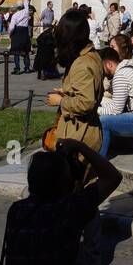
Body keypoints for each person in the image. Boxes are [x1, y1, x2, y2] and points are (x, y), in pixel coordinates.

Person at [47, 9, 104, 168]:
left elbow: (86, 102)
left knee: (72, 187)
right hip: (81, 131)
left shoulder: (82, 64)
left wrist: (61, 101)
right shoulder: (90, 56)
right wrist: (67, 92)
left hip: (79, 134)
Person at [8, 0, 32, 75]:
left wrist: (10, 33)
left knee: (16, 51)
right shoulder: (26, 12)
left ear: (17, 7)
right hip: (24, 31)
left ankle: (17, 68)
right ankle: (27, 67)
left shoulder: (15, 15)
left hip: (17, 32)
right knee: (25, 51)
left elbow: (11, 27)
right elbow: (26, 4)